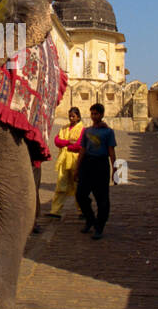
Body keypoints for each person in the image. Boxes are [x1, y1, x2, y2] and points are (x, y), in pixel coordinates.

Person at [75, 103, 117, 240]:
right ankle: (90, 219)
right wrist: (77, 168)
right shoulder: (87, 131)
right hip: (87, 164)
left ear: (102, 114)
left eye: (96, 114)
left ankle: (99, 227)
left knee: (102, 199)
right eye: (92, 114)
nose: (94, 116)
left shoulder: (108, 132)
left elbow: (111, 151)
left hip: (101, 165)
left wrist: (115, 170)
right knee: (80, 195)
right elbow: (82, 150)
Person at [49, 106, 84, 217]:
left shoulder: (82, 129)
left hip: (76, 161)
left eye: (73, 116)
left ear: (78, 117)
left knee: (78, 186)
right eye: (70, 116)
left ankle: (82, 211)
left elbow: (79, 145)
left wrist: (66, 145)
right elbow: (56, 141)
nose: (71, 118)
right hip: (64, 160)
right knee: (60, 185)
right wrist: (68, 142)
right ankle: (55, 210)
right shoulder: (64, 128)